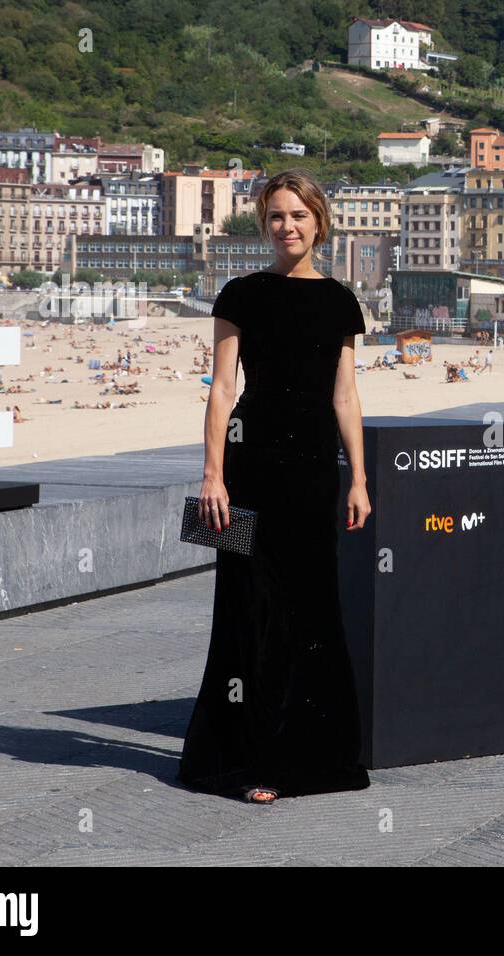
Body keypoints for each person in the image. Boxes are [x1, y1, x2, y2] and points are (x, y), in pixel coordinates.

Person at [180, 169, 371, 804]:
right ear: (264, 225)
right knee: (246, 608)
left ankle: (310, 760)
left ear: (319, 222)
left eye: (298, 215)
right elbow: (221, 389)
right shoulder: (240, 294)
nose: (287, 226)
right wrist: (213, 474)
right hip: (247, 468)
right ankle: (249, 761)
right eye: (276, 216)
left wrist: (359, 478)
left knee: (311, 610)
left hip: (314, 471)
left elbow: (345, 395)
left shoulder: (340, 300)